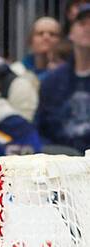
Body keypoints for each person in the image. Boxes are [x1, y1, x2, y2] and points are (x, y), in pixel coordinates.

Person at [36, 2, 90, 154]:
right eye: (82, 23)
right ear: (71, 33)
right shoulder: (51, 82)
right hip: (61, 166)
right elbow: (41, 130)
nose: (87, 28)